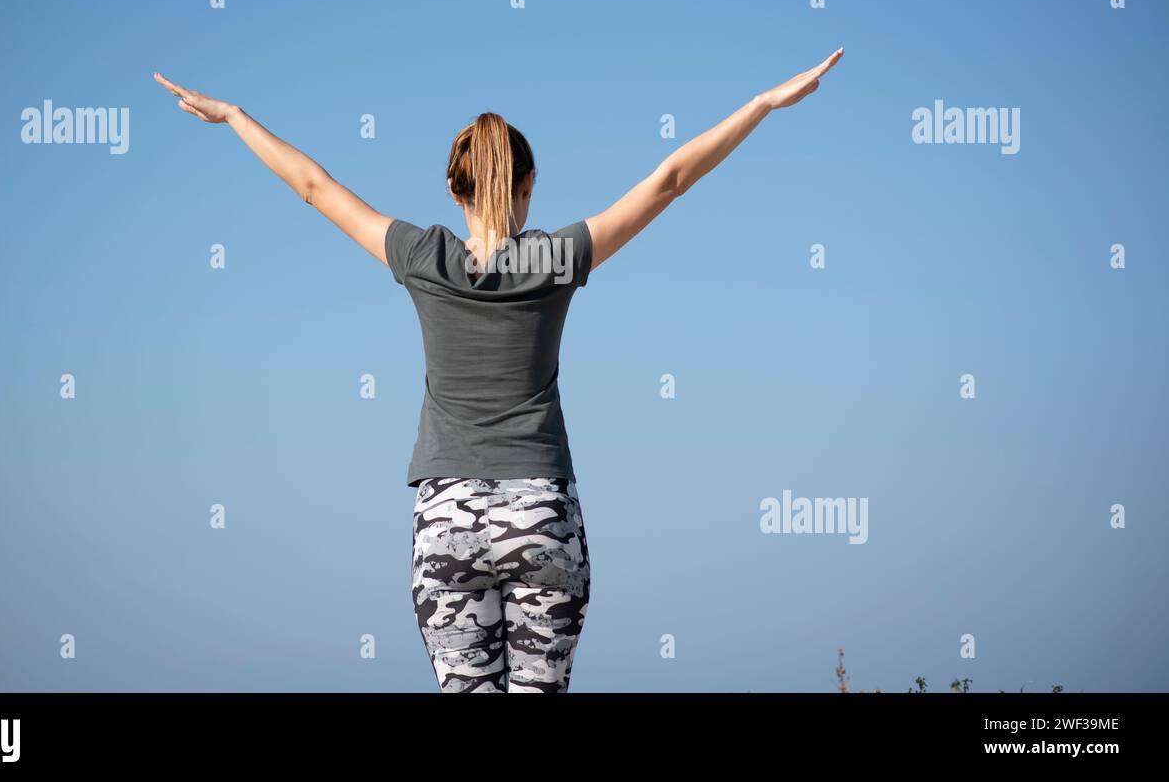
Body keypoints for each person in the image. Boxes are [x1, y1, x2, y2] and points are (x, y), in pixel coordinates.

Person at [152, 46, 844, 692]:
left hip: (445, 515)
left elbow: (311, 185)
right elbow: (668, 181)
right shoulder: (555, 257)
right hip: (539, 511)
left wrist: (235, 116)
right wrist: (761, 104)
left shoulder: (423, 255)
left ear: (453, 190)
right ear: (529, 184)